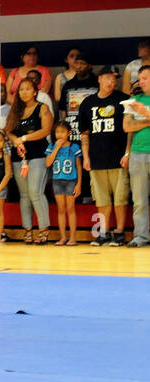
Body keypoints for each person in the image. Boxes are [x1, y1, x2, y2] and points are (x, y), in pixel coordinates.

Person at [79, 66, 129, 245]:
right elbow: (84, 133)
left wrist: (128, 153)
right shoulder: (87, 103)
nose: (112, 82)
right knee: (101, 199)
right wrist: (86, 157)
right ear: (99, 79)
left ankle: (120, 232)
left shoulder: (124, 100)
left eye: (115, 78)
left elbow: (129, 131)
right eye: (108, 77)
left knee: (120, 197)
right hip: (96, 158)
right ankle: (103, 233)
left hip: (118, 158)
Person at [5, 78, 54, 244]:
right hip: (19, 156)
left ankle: (44, 229)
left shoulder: (42, 108)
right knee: (24, 195)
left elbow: (46, 130)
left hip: (39, 154)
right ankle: (27, 230)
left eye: (27, 89)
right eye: (21, 89)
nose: (24, 92)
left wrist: (24, 137)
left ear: (35, 91)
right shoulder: (16, 109)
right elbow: (8, 131)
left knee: (35, 191)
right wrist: (15, 140)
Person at [123, 65, 150, 246]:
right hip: (138, 153)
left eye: (146, 78)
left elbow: (135, 123)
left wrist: (144, 114)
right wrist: (147, 121)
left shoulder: (140, 106)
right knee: (139, 199)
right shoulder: (134, 101)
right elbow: (127, 127)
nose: (142, 81)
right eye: (140, 78)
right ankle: (141, 236)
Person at [46, 122, 82, 245]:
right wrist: (56, 148)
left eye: (62, 132)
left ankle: (73, 237)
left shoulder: (74, 147)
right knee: (61, 209)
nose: (59, 134)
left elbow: (78, 166)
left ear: (69, 133)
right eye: (57, 132)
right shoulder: (51, 146)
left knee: (70, 208)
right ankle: (62, 237)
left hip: (71, 180)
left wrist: (79, 184)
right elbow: (48, 163)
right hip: (57, 181)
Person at [58, 53, 97, 134]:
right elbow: (63, 109)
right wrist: (64, 127)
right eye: (77, 63)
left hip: (93, 126)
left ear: (89, 66)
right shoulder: (68, 85)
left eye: (82, 63)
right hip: (73, 128)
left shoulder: (97, 83)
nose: (78, 66)